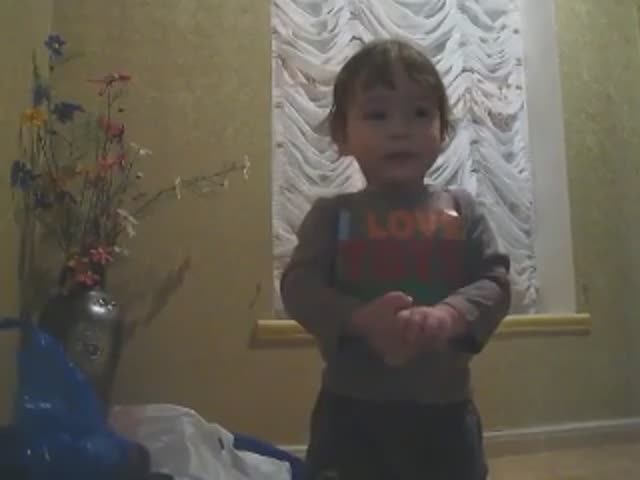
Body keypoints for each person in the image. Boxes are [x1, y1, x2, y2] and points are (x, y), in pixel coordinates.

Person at [280, 38, 511, 480]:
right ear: (341, 135)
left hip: (445, 411)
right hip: (351, 411)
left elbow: (494, 281)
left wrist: (450, 315)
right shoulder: (332, 215)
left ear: (443, 131)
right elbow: (299, 287)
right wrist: (358, 318)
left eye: (420, 113)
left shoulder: (463, 210)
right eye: (377, 114)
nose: (400, 130)